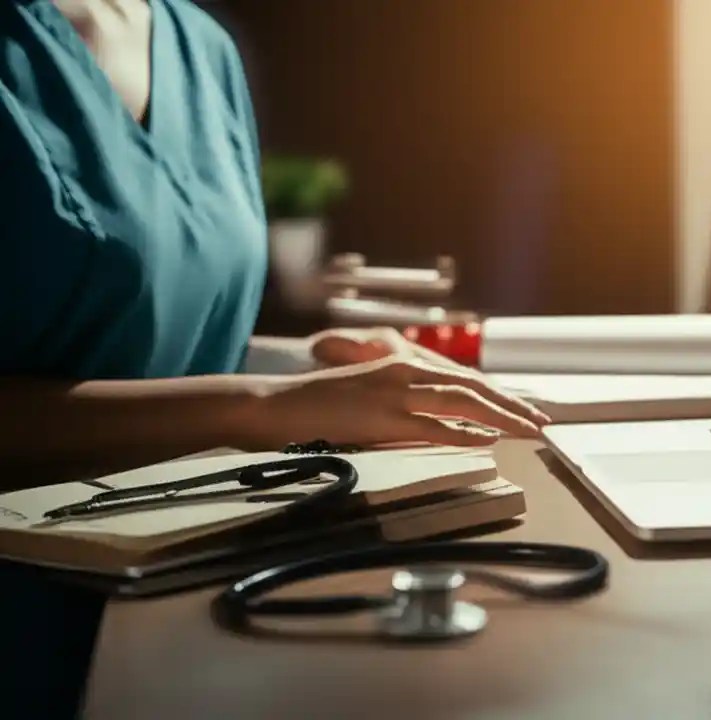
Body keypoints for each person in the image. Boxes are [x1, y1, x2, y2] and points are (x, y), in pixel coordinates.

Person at [0, 1, 548, 715]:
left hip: (187, 586)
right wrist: (265, 407)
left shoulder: (201, 47)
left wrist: (310, 368)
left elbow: (141, 333)